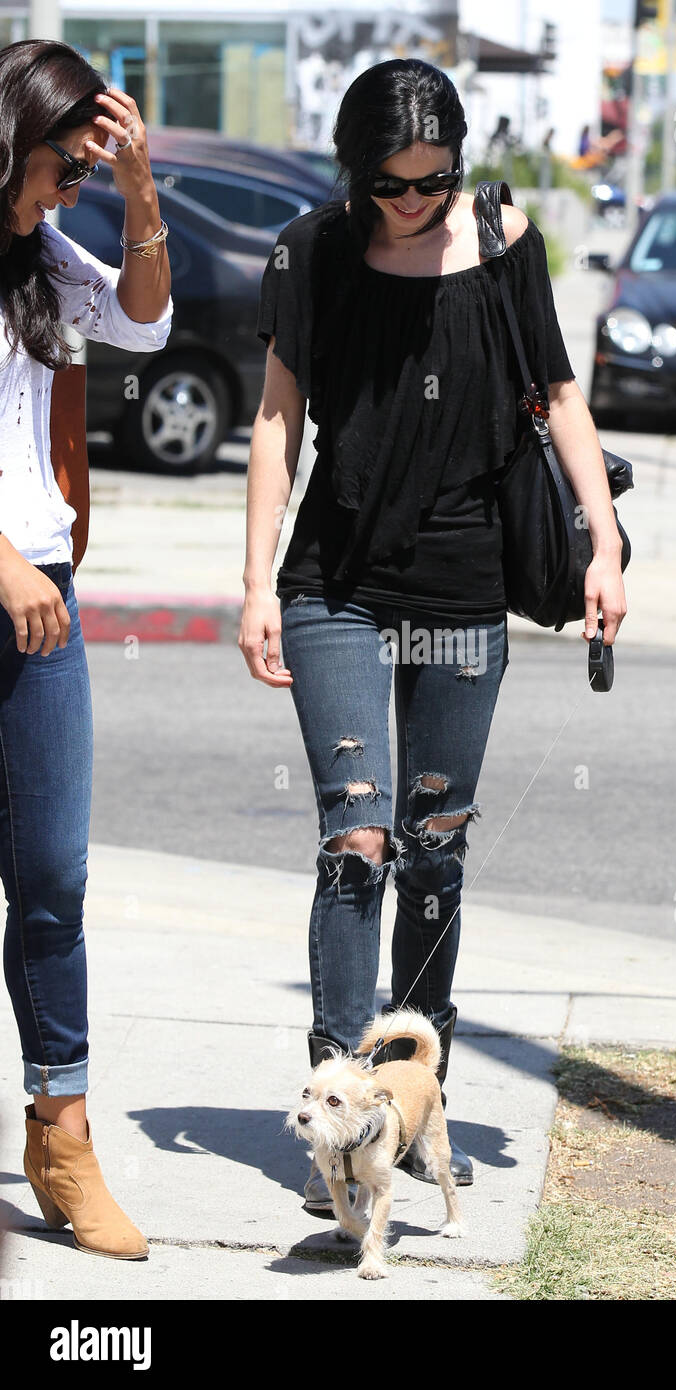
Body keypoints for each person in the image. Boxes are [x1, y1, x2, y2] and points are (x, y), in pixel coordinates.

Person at [239, 57, 626, 1216]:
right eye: (389, 186)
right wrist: (254, 580)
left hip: (462, 591)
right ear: (356, 172)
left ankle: (416, 1088)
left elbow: (558, 397)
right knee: (357, 841)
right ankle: (342, 1114)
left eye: (431, 183)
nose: (411, 205)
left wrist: (601, 545)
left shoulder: (505, 243)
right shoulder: (313, 251)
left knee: (434, 847)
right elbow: (275, 414)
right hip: (335, 588)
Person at [0, 39, 172, 1257]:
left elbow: (146, 323)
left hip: (40, 603)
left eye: (82, 170)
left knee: (52, 877)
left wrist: (140, 196)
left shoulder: (45, 257)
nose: (71, 187)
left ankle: (61, 1137)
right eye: (65, 165)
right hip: (10, 579)